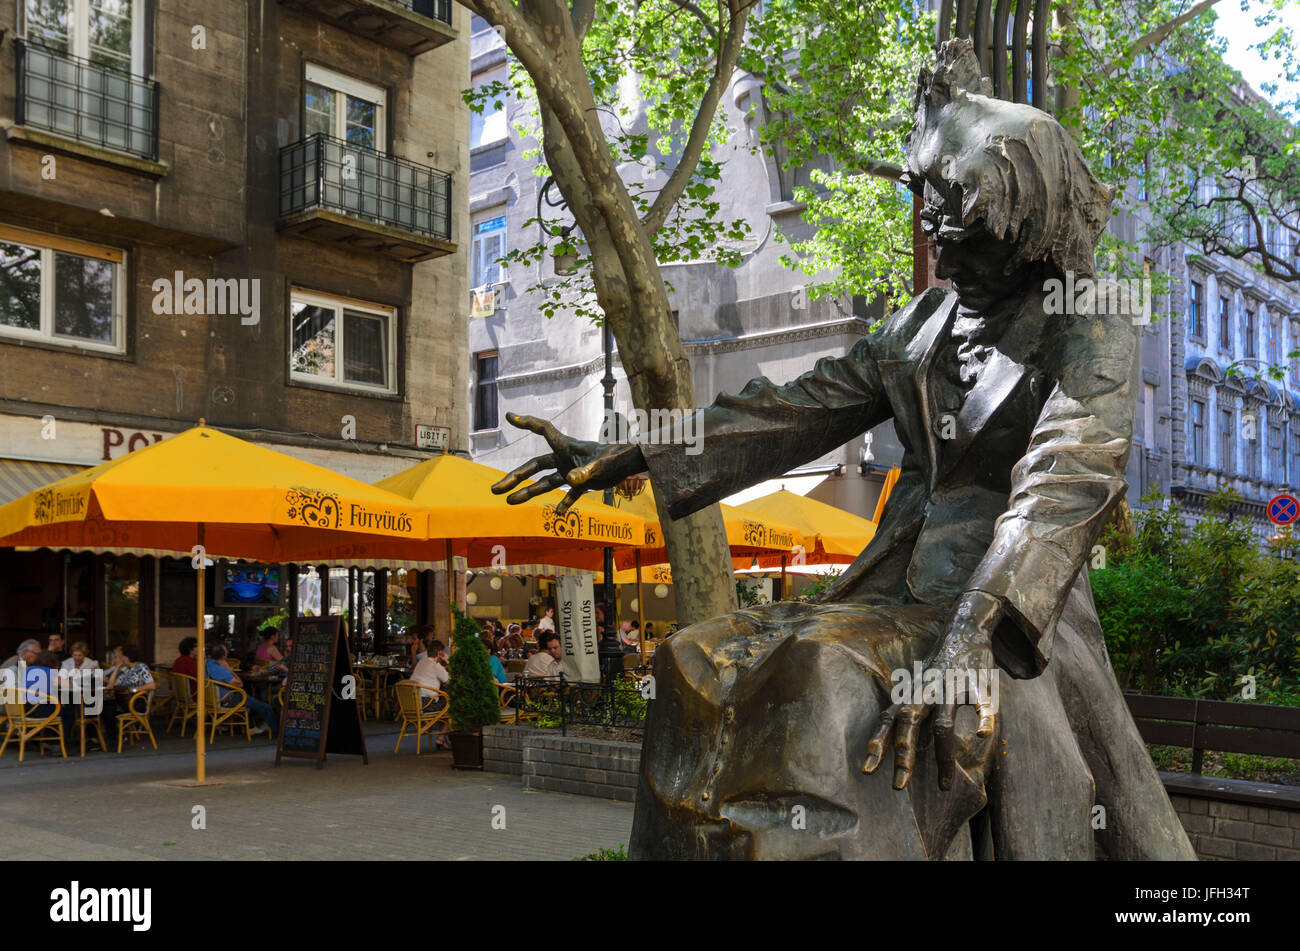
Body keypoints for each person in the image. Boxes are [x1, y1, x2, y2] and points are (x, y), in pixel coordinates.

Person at [490, 39, 1192, 860]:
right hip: (895, 588)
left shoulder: (1090, 316)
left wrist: (972, 632)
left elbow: (1066, 478)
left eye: (962, 229)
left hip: (1006, 610)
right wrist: (636, 449)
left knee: (822, 670)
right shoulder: (920, 325)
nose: (940, 241)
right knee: (692, 654)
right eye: (930, 213)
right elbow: (792, 408)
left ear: (1027, 226)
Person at [206, 644, 278, 737]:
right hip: (226, 699)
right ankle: (278, 732)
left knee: (249, 700)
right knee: (265, 707)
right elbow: (240, 684)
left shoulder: (206, 663)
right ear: (223, 655)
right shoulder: (219, 669)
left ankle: (251, 727)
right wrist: (228, 668)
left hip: (212, 699)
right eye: (226, 650)